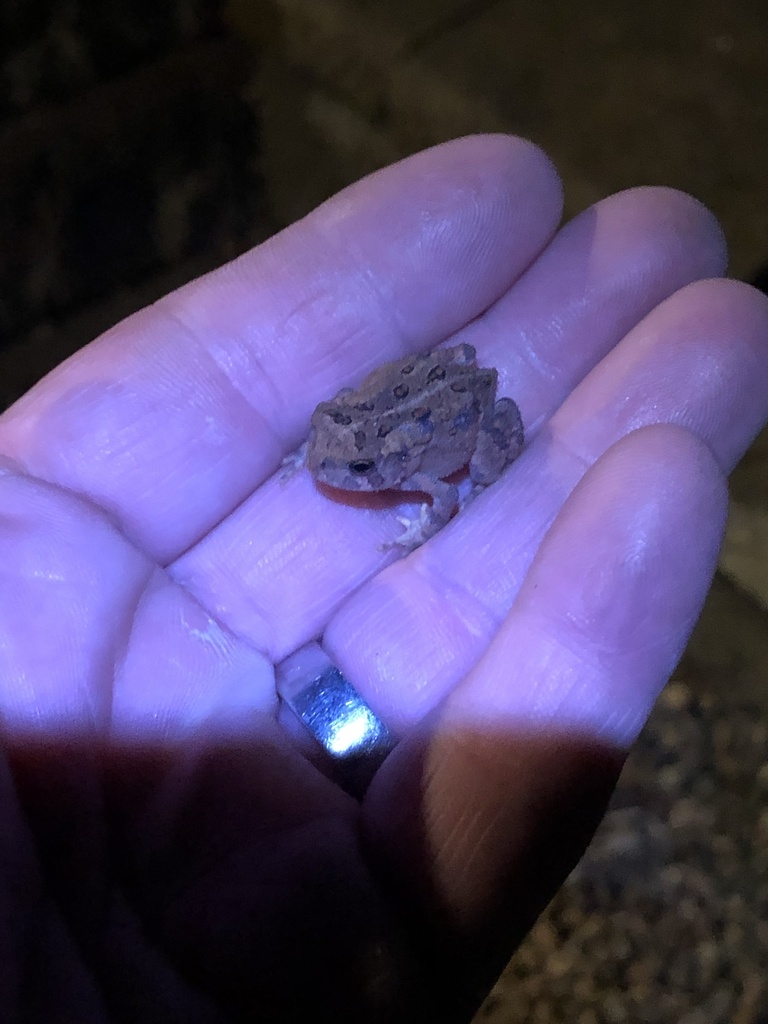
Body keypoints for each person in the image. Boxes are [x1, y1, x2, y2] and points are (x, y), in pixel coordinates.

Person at [0, 134, 765, 1023]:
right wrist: (312, 457)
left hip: (455, 406)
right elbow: (342, 429)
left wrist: (439, 507)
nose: (335, 471)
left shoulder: (408, 455)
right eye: (329, 454)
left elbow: (454, 448)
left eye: (352, 469)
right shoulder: (345, 440)